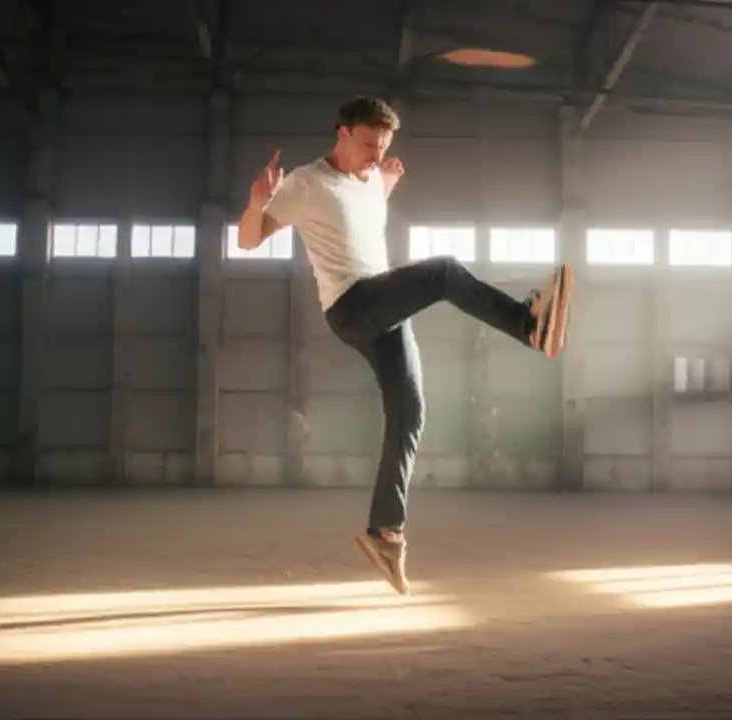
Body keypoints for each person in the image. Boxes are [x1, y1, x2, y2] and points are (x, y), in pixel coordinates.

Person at [236, 96, 572, 595]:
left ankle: (385, 533)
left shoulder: (374, 177)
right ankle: (527, 326)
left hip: (383, 306)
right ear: (342, 133)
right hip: (352, 305)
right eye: (369, 144)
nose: (375, 156)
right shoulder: (305, 184)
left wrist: (386, 178)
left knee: (411, 412)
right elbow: (248, 241)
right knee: (443, 273)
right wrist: (256, 202)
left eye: (384, 147)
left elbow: (369, 201)